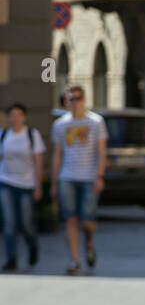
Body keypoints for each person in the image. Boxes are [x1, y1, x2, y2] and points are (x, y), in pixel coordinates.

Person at [49, 85, 107, 276]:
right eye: (71, 98)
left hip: (89, 177)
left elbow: (101, 151)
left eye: (78, 98)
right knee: (70, 220)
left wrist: (99, 176)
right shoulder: (60, 124)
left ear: (84, 99)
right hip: (67, 177)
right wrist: (55, 182)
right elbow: (57, 154)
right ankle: (75, 261)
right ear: (66, 101)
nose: (75, 102)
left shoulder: (96, 122)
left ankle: (89, 243)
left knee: (87, 222)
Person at [0, 103, 46, 270]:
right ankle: (11, 258)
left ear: (24, 117)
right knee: (9, 223)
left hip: (27, 184)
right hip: (6, 182)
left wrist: (38, 186)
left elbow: (38, 162)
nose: (15, 118)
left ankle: (33, 246)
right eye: (12, 115)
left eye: (18, 115)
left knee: (26, 223)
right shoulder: (4, 135)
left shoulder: (32, 135)